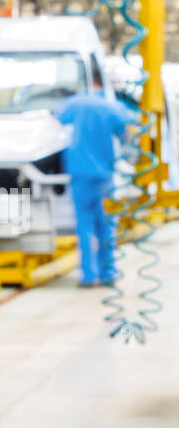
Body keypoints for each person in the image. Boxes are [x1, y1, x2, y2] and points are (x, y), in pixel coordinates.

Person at [56, 77, 135, 287]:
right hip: (105, 174)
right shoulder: (113, 106)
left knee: (84, 224)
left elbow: (57, 124)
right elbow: (128, 134)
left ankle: (87, 276)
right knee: (106, 224)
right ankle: (108, 272)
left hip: (79, 172)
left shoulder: (74, 103)